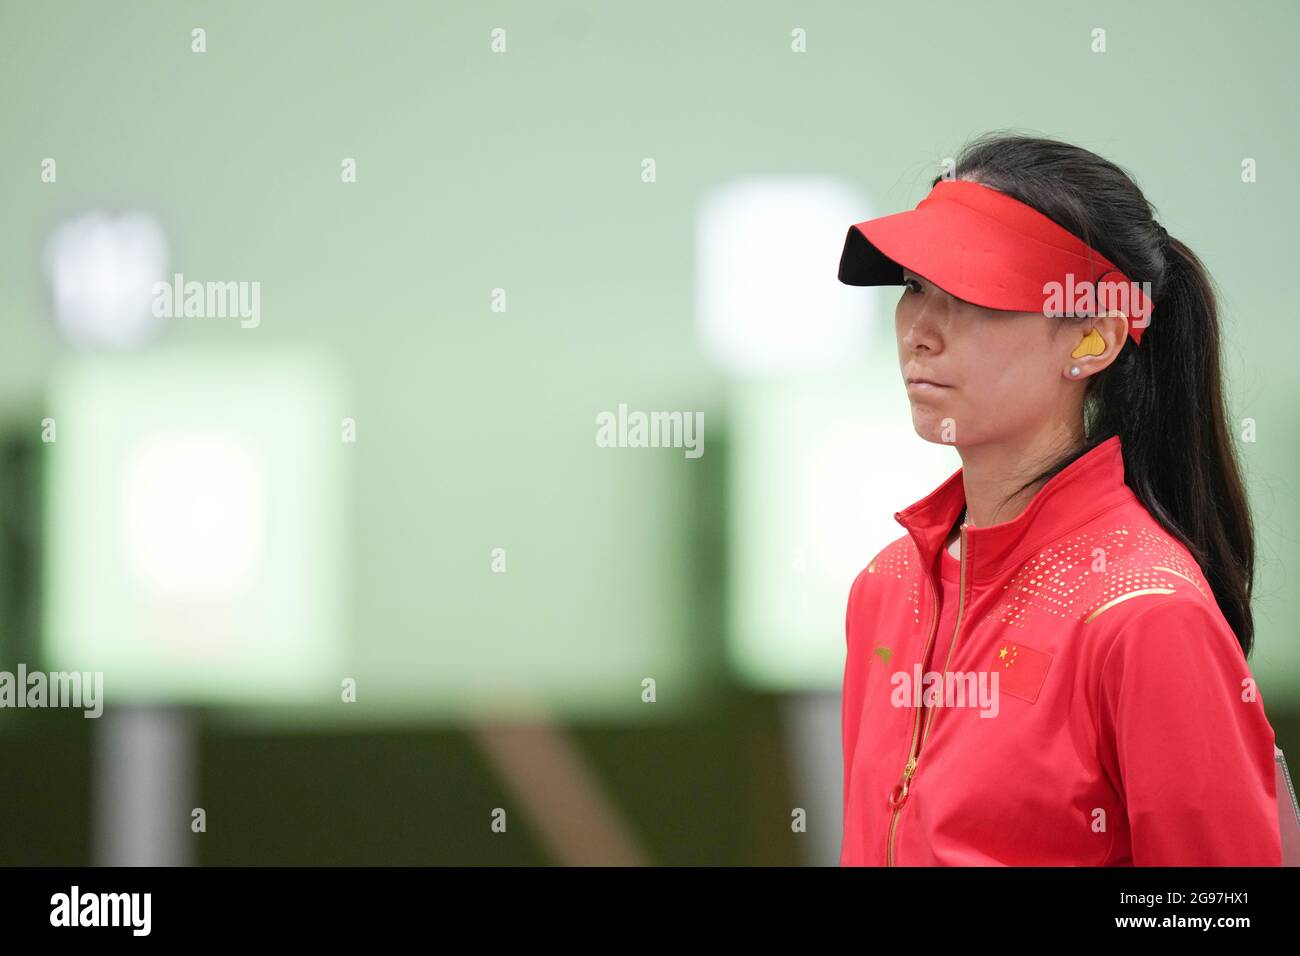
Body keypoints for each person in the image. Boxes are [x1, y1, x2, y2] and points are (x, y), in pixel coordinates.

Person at [836, 132, 1282, 866]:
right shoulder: (887, 589)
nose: (919, 331)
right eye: (915, 286)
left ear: (1092, 339)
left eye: (971, 295)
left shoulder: (1145, 617)